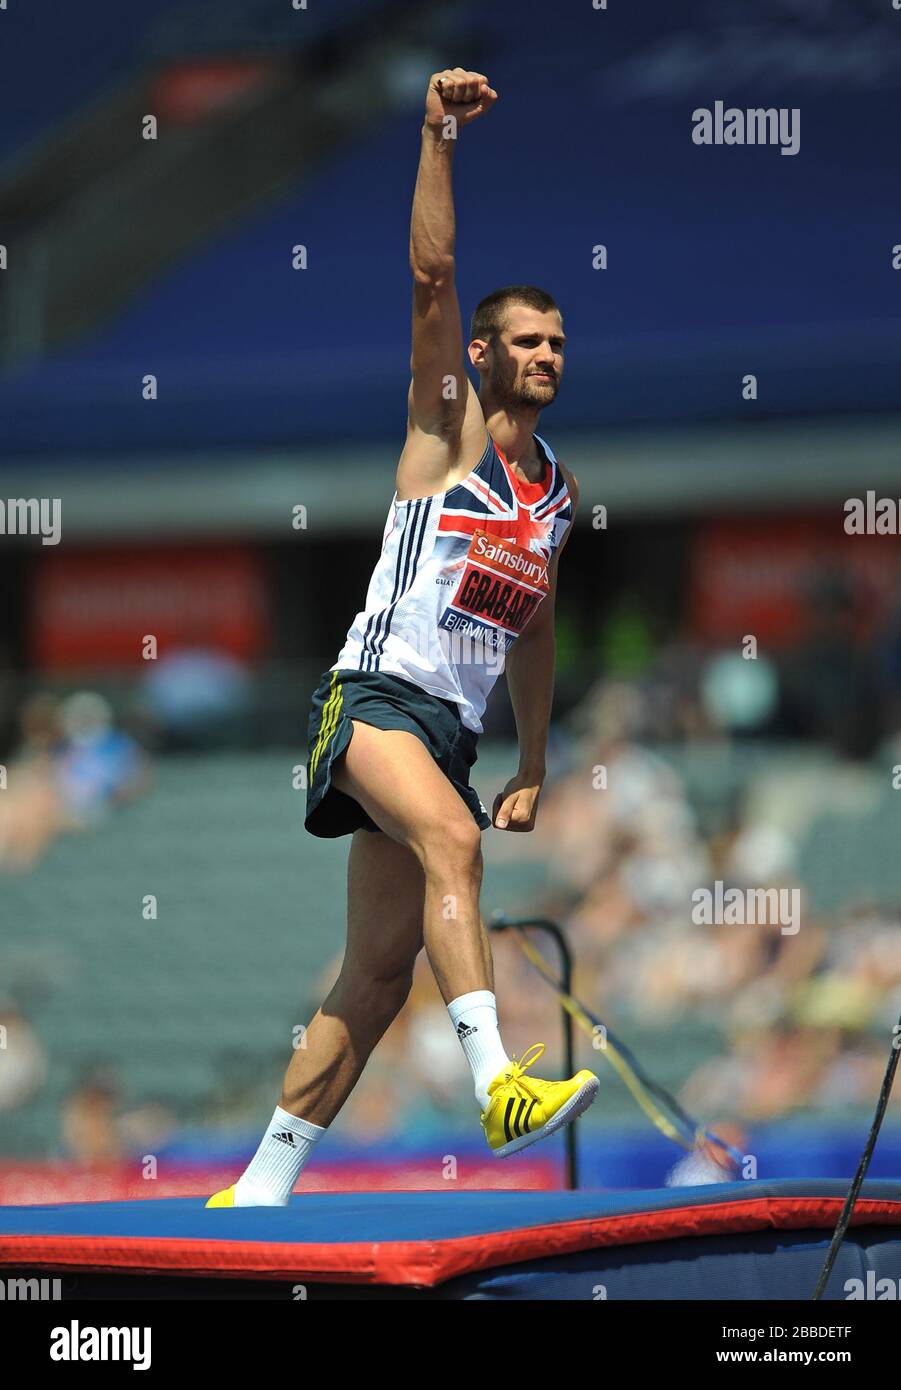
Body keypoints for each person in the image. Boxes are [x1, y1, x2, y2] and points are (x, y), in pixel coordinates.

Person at [208, 68, 598, 1208]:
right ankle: (499, 1087)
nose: (546, 356)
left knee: (376, 975)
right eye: (525, 340)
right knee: (458, 850)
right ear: (480, 356)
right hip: (373, 696)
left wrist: (531, 758)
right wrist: (437, 136)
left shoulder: (557, 495)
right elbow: (432, 271)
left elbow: (532, 626)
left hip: (451, 732)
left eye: (558, 343)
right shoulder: (448, 430)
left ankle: (258, 1190)